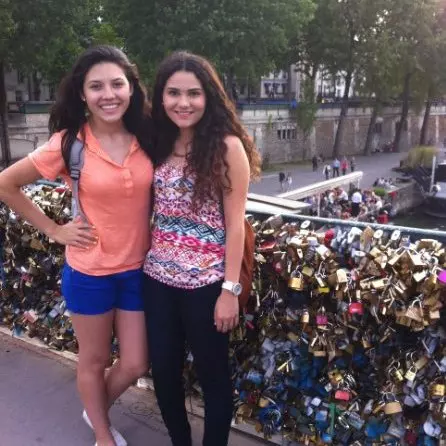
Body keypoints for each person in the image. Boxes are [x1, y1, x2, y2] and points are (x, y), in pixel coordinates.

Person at [0, 45, 154, 446]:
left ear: (132, 88)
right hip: (90, 270)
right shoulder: (69, 144)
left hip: (138, 268)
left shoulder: (149, 135)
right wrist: (54, 230)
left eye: (117, 84)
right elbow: (6, 184)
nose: (109, 94)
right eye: (96, 86)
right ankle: (102, 432)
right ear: (82, 94)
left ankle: (94, 406)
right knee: (95, 359)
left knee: (136, 361)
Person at [142, 51, 261, 446]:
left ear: (208, 96)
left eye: (193, 93)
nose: (183, 102)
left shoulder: (228, 147)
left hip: (207, 283)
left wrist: (230, 290)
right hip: (157, 279)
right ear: (161, 98)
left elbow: (235, 226)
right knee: (163, 371)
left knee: (213, 378)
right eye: (173, 93)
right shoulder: (156, 142)